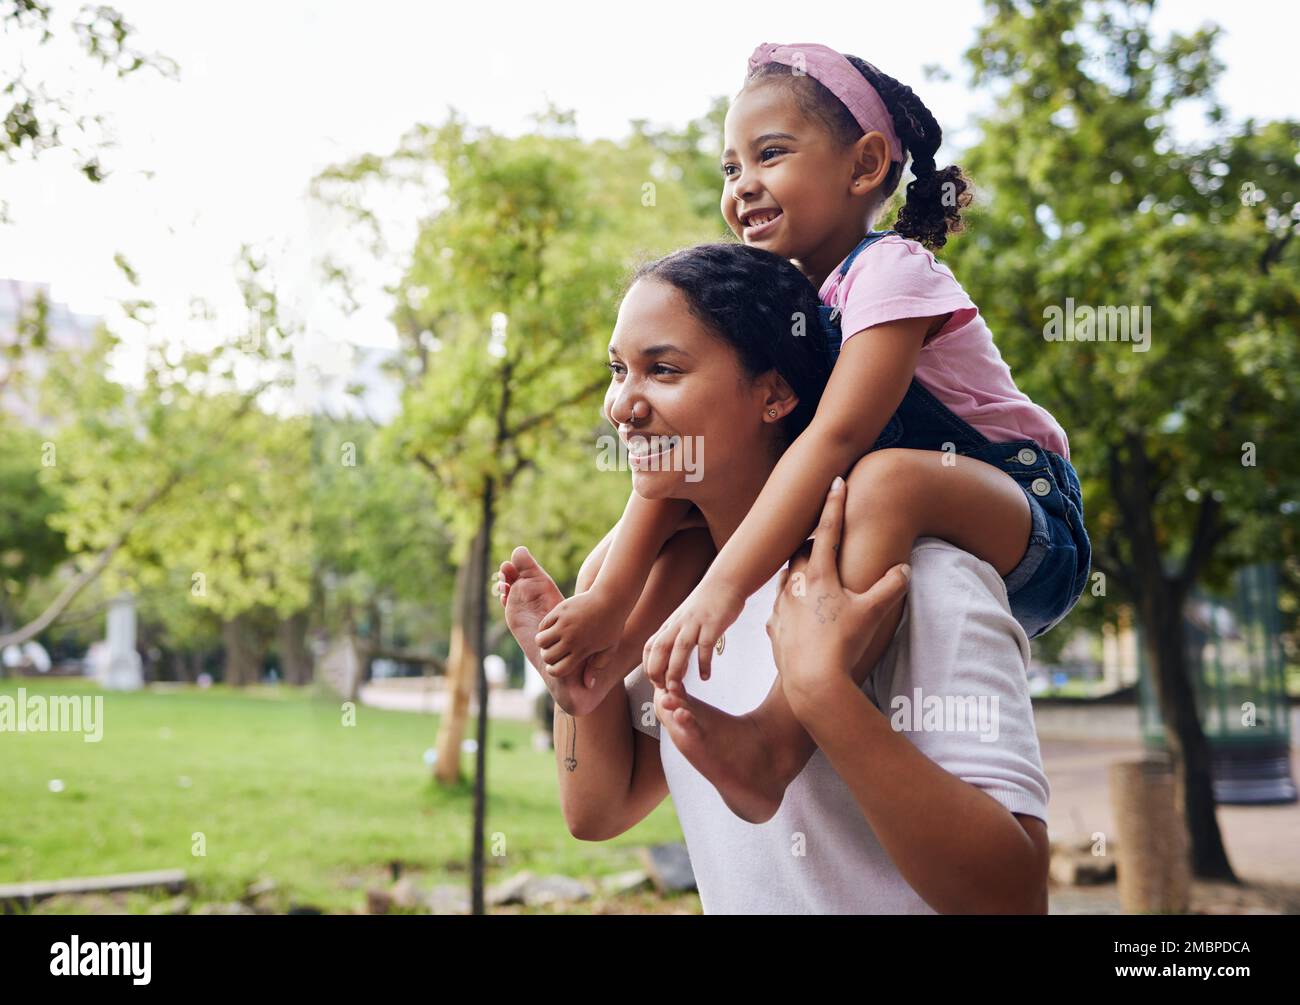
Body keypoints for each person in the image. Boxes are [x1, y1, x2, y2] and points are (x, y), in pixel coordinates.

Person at [532, 41, 1089, 824]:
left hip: (1030, 514)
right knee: (694, 496)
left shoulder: (893, 272)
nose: (743, 185)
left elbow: (834, 439)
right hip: (912, 499)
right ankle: (603, 661)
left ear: (864, 165)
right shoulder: (799, 301)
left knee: (884, 477)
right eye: (730, 168)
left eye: (769, 155)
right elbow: (664, 480)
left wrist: (722, 592)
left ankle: (776, 738)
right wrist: (606, 601)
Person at [496, 243, 1050, 913]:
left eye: (662, 370)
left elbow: (1015, 897)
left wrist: (823, 693)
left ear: (775, 392)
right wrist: (575, 684)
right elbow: (598, 809)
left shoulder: (919, 579)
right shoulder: (666, 595)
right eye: (618, 370)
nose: (621, 406)